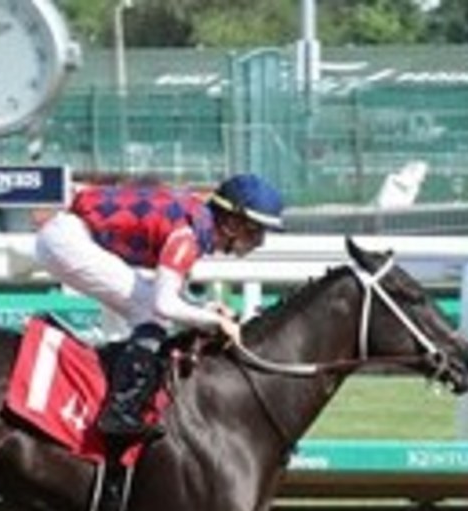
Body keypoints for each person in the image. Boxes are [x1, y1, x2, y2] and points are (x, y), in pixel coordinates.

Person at [34, 173, 285, 442]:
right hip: (68, 241)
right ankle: (121, 409)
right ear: (233, 222)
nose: (258, 242)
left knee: (148, 308)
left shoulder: (197, 223)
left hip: (71, 236)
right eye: (255, 231)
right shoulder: (188, 235)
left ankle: (119, 386)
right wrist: (215, 322)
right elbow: (164, 305)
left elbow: (170, 294)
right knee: (150, 312)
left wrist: (205, 309)